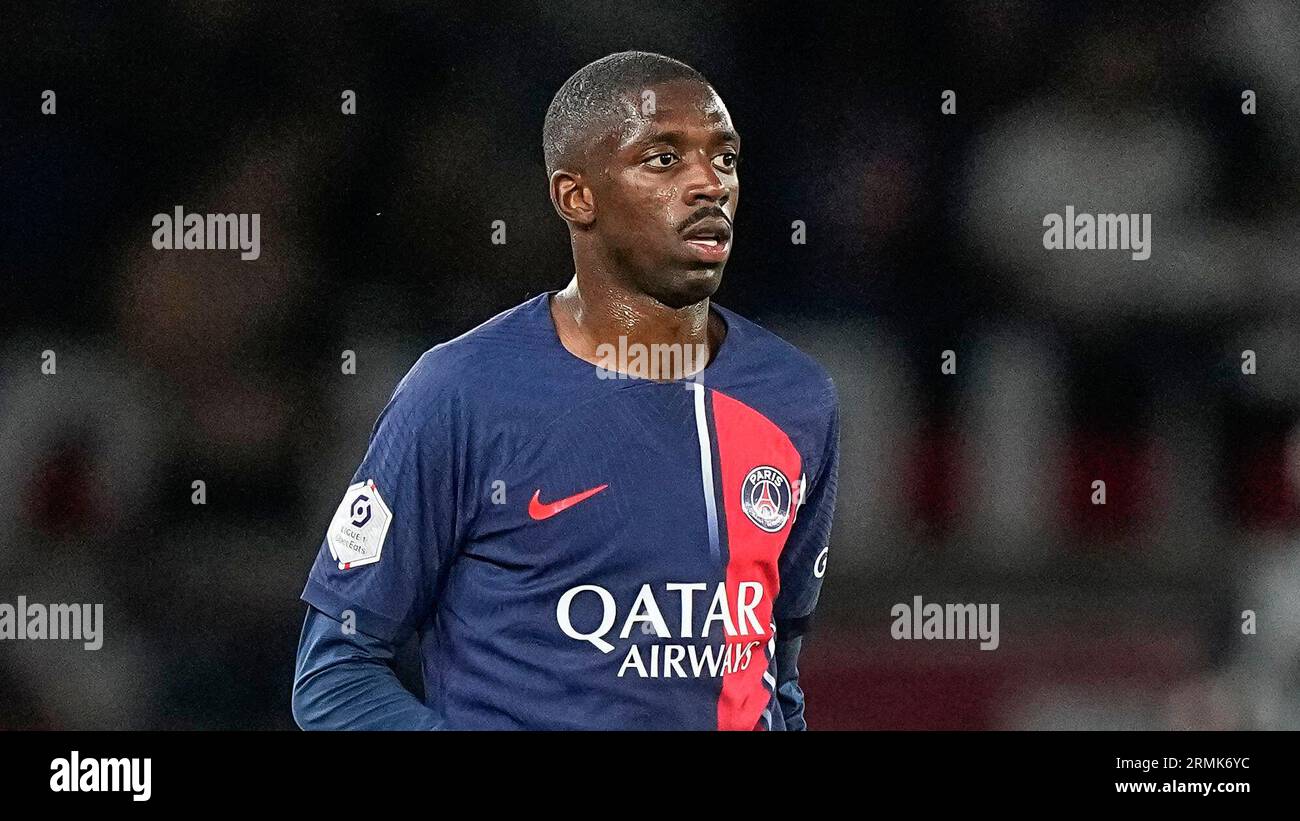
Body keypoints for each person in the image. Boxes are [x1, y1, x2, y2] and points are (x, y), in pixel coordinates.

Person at [292, 51, 839, 730]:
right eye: (664, 159)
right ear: (575, 195)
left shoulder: (796, 396)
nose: (709, 184)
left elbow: (777, 682)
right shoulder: (462, 392)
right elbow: (335, 674)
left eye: (724, 158)